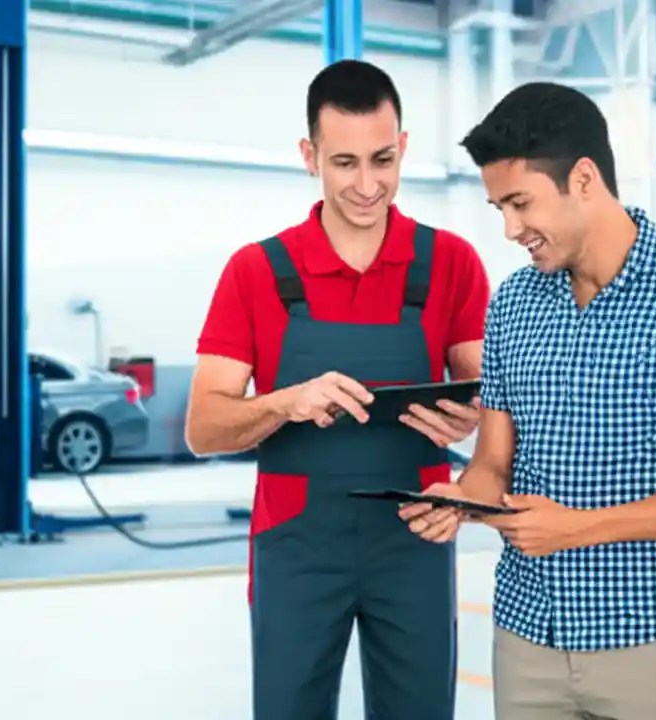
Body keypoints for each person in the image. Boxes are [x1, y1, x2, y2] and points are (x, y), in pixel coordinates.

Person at [400, 81, 656, 719]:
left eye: (520, 203)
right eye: (499, 208)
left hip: (650, 648)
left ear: (585, 179)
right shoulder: (513, 304)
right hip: (527, 645)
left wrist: (579, 528)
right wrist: (460, 501)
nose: (511, 229)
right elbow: (493, 465)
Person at [184, 59, 491, 719]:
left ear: (403, 146)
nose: (368, 185)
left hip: (416, 537)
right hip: (296, 547)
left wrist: (470, 423)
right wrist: (285, 402)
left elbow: (493, 404)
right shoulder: (255, 271)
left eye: (383, 160)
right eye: (345, 163)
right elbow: (204, 428)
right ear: (310, 156)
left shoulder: (451, 263)